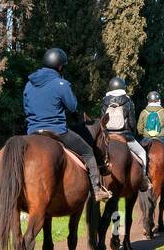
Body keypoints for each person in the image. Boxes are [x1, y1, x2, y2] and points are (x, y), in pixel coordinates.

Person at [24, 47, 112, 201]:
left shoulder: (29, 84)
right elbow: (73, 106)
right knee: (88, 152)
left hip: (32, 131)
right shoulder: (61, 84)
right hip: (57, 130)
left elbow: (26, 107)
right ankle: (97, 190)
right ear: (60, 66)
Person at [101, 76, 152, 193]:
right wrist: (132, 133)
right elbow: (132, 121)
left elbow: (102, 120)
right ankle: (144, 179)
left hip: (108, 137)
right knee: (143, 153)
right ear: (123, 87)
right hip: (125, 136)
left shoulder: (105, 101)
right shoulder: (128, 101)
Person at [137, 90, 164, 177]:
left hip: (147, 139)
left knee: (137, 154)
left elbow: (139, 129)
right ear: (158, 100)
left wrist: (144, 133)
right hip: (162, 139)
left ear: (148, 101)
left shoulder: (143, 112)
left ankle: (140, 173)